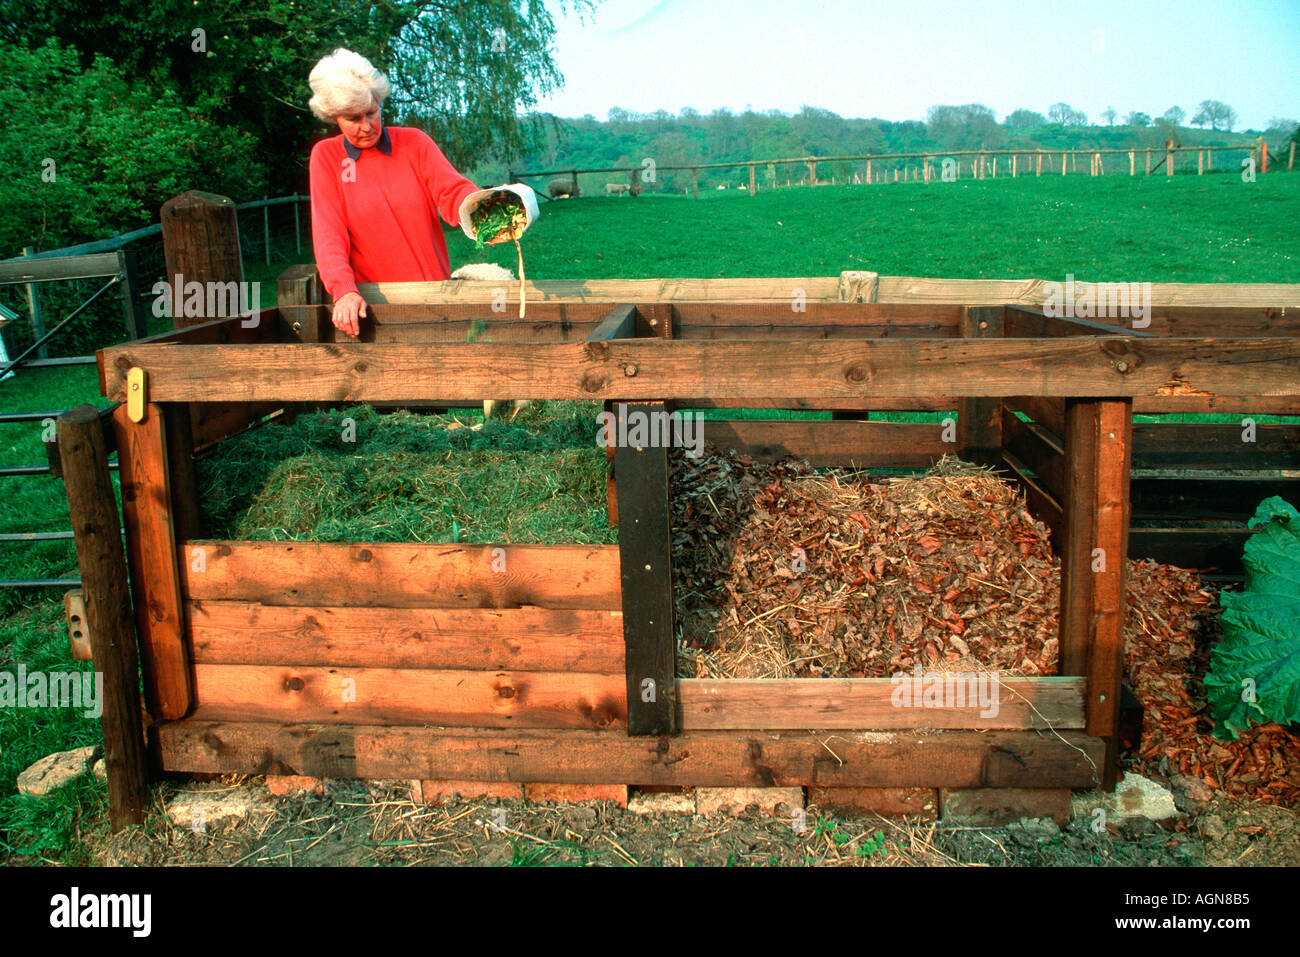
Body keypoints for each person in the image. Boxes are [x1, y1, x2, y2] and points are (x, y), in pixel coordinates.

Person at [307, 48, 485, 337]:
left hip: (435, 299)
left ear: (380, 102)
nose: (367, 126)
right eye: (353, 118)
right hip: (374, 309)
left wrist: (484, 206)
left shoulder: (414, 143)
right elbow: (329, 235)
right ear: (333, 117)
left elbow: (453, 192)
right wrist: (343, 291)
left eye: (372, 112)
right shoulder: (326, 158)